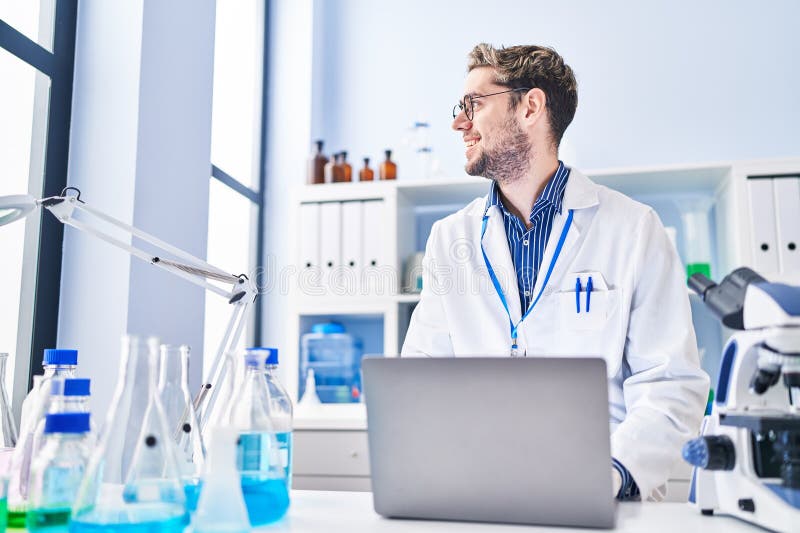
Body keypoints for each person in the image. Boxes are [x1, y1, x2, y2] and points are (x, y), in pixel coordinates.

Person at [401, 43, 710, 500]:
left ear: (530, 106)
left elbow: (671, 385)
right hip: (481, 491)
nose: (458, 122)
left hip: (608, 497)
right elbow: (420, 382)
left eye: (473, 105)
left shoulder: (633, 229)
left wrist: (609, 474)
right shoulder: (451, 239)